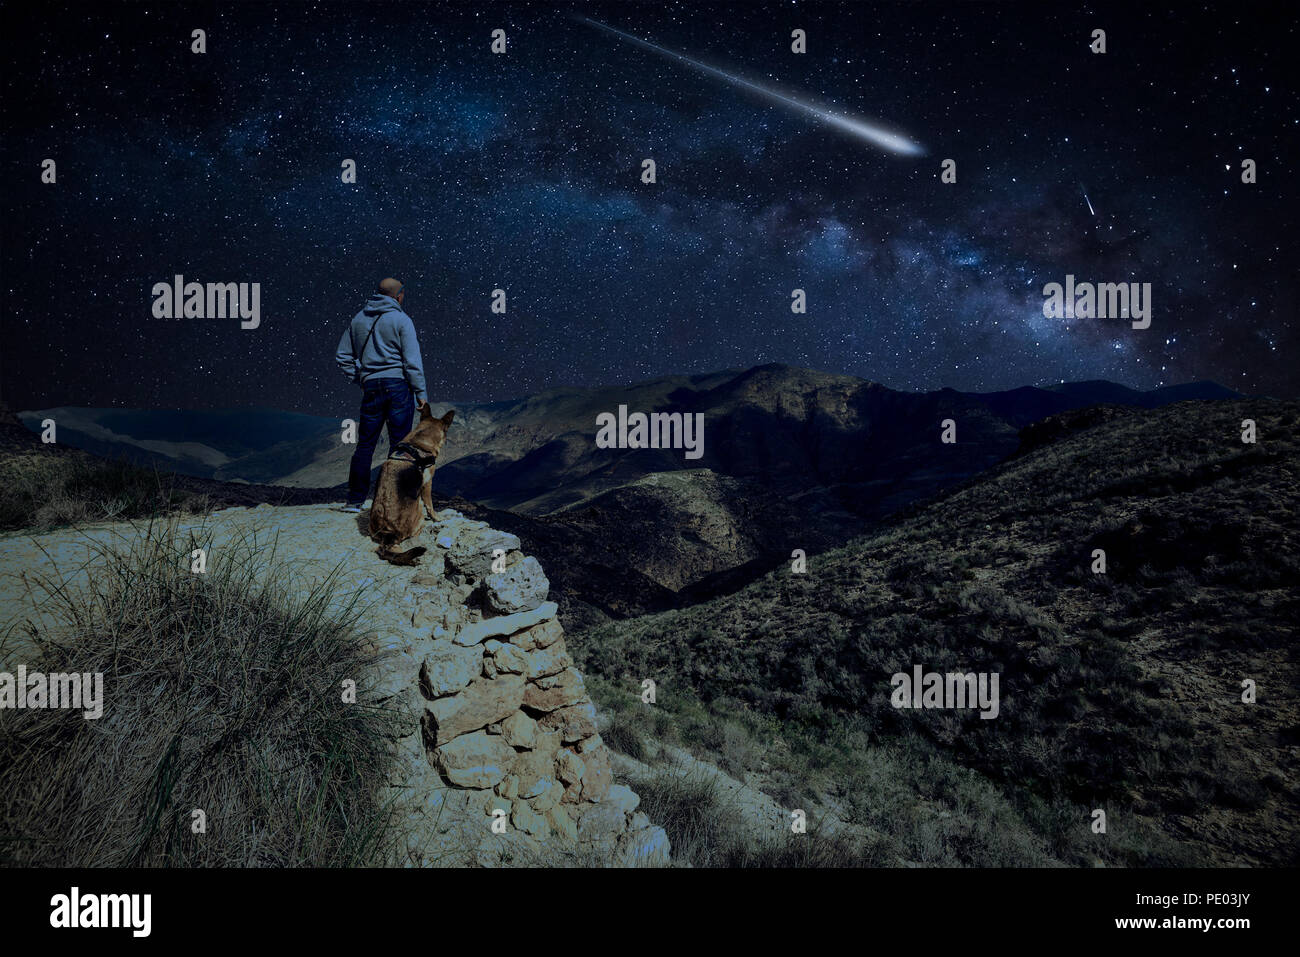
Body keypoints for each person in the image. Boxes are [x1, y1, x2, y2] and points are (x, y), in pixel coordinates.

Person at [335, 277, 428, 511]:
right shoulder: (401, 320)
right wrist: (420, 392)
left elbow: (343, 356)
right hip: (398, 387)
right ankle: (391, 502)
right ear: (399, 295)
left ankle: (355, 501)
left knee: (365, 444)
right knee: (400, 447)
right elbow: (412, 362)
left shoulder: (358, 319)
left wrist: (362, 379)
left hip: (371, 388)